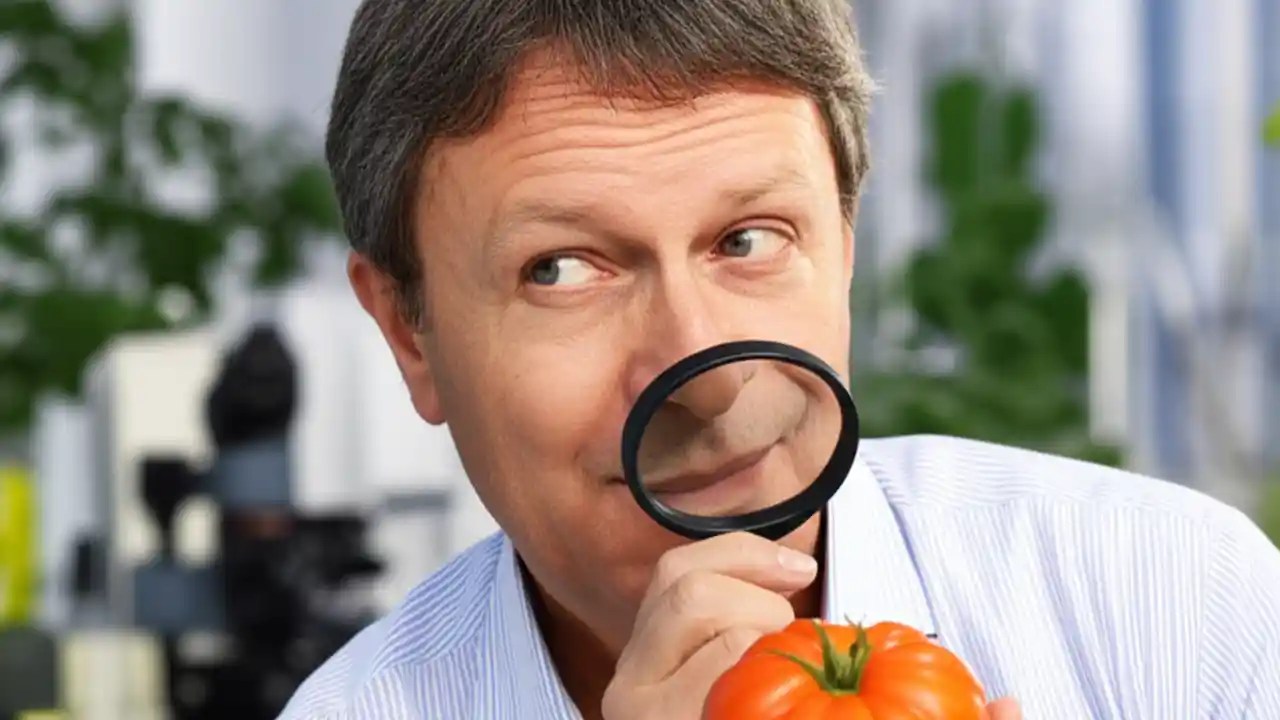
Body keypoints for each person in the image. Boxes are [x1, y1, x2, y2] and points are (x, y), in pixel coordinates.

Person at [278, 1, 1280, 718]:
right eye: (560, 268)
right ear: (411, 335)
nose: (706, 374)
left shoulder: (1184, 607)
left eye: (748, 239)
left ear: (843, 245)